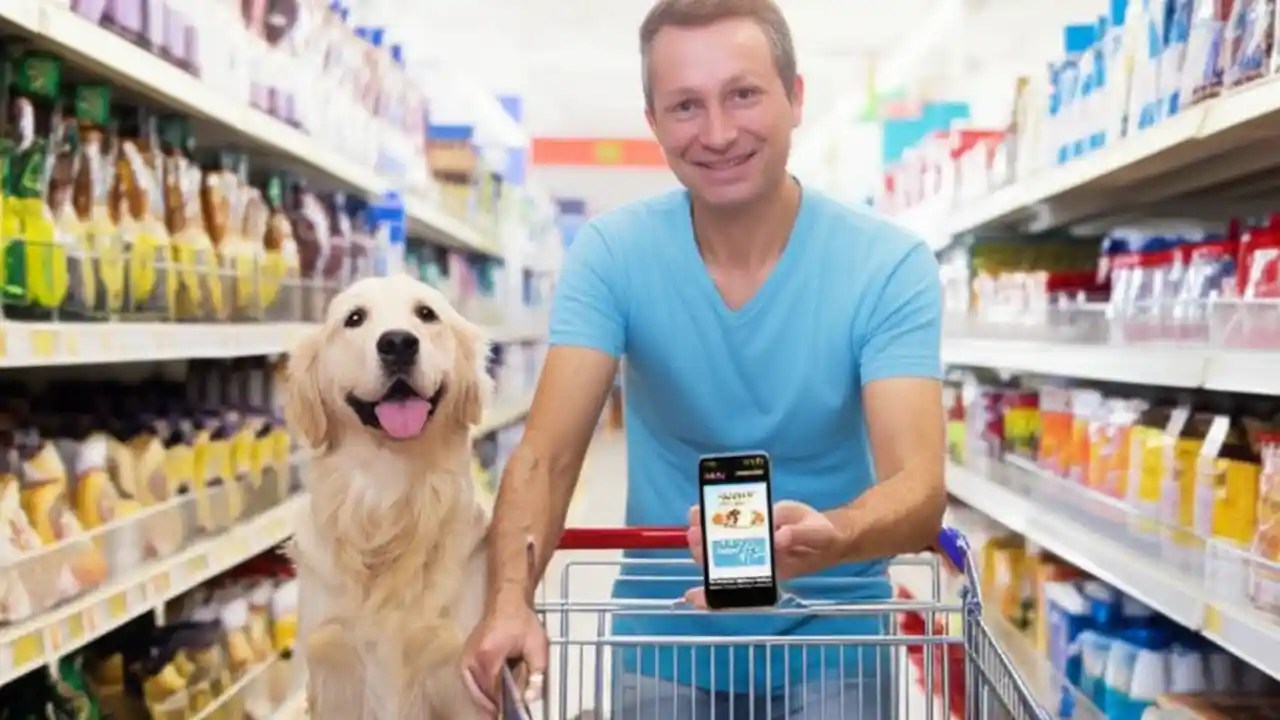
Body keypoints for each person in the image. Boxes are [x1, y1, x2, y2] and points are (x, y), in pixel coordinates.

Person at [462, 0, 946, 717]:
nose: (717, 134)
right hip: (665, 642)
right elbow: (547, 456)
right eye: (685, 105)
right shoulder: (612, 255)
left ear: (796, 97)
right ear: (653, 121)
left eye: (743, 94)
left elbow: (919, 485)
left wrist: (835, 536)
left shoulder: (887, 265)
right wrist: (509, 602)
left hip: (835, 638)